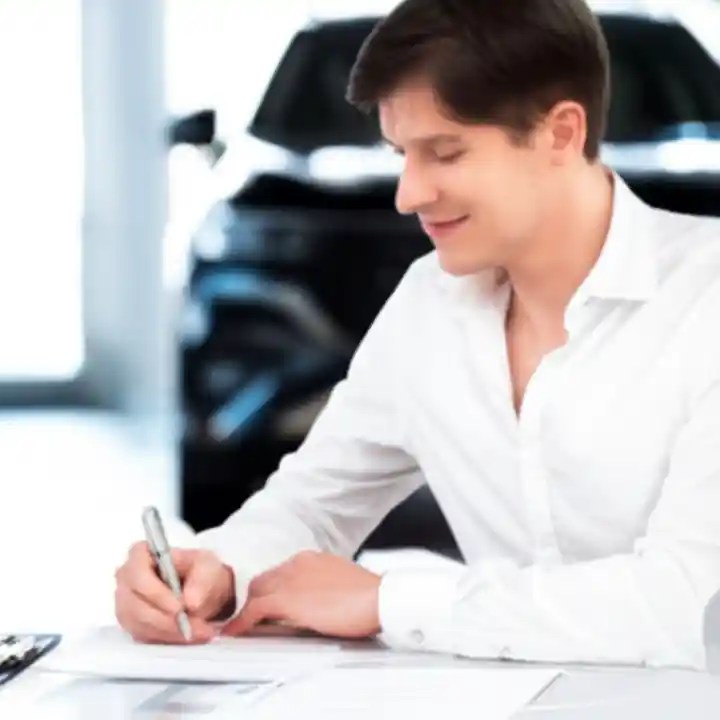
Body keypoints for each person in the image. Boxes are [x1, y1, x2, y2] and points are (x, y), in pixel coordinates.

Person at [116, 0, 720, 670]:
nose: (407, 195)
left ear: (561, 134)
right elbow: (310, 506)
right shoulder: (430, 302)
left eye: (446, 152)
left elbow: (683, 607)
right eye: (403, 153)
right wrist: (215, 573)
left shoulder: (708, 298)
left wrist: (389, 603)